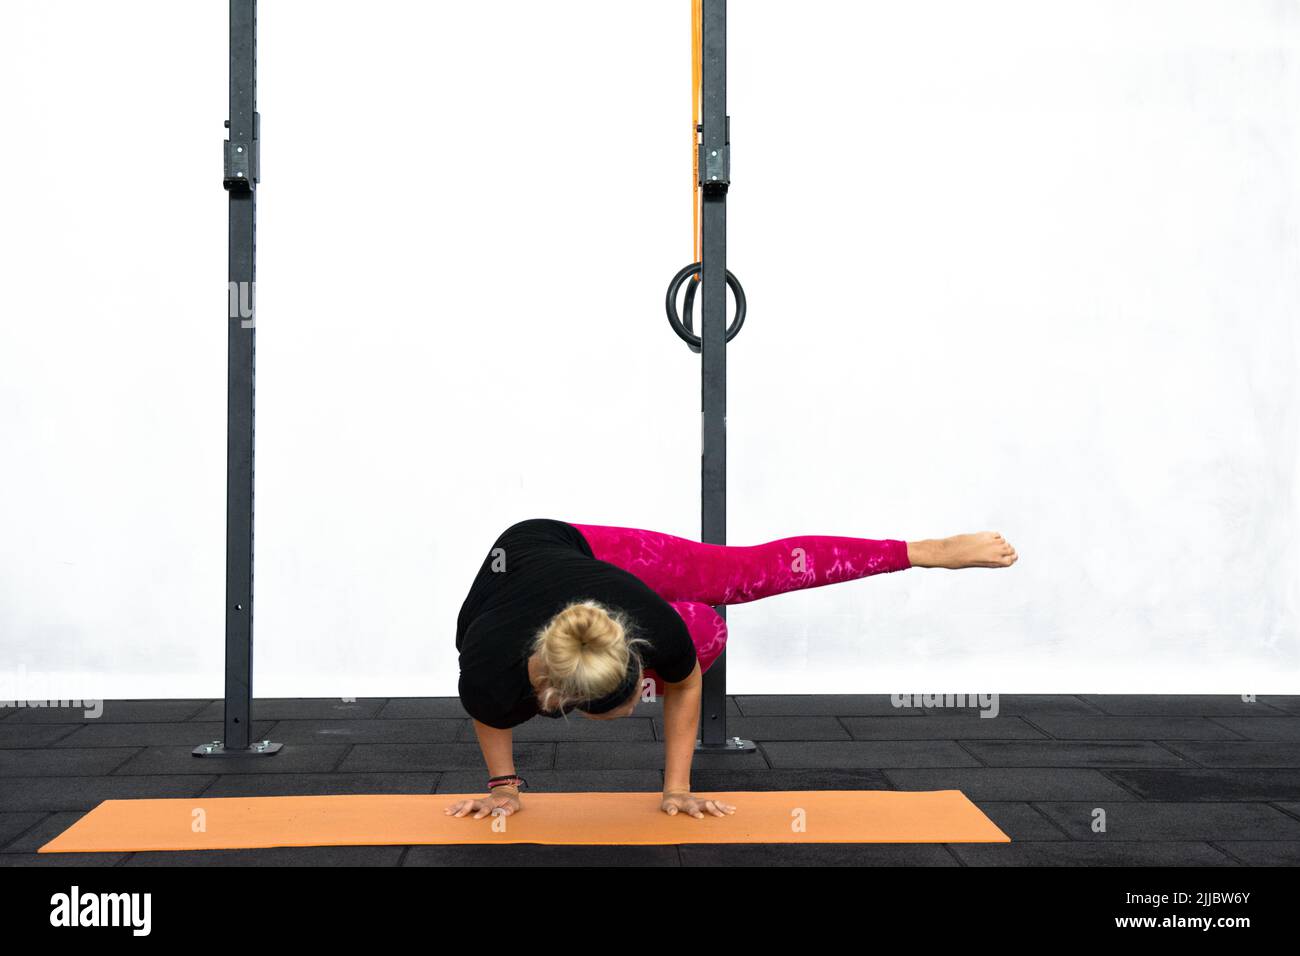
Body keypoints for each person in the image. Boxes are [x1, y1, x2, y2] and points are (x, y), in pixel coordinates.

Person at [447, 518, 1017, 821]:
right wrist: (503, 789)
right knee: (690, 637)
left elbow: (687, 681)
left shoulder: (653, 627)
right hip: (520, 572)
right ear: (557, 699)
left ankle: (922, 549)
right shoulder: (487, 675)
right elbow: (490, 714)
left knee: (730, 587)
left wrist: (677, 789)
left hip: (571, 553)